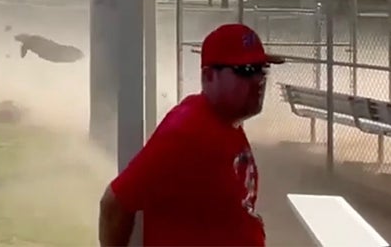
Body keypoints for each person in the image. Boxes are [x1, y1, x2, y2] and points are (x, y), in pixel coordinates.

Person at [98, 23, 284, 247]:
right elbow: (115, 203)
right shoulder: (187, 132)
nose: (258, 80)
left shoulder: (226, 122)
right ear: (208, 77)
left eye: (262, 69)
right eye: (245, 71)